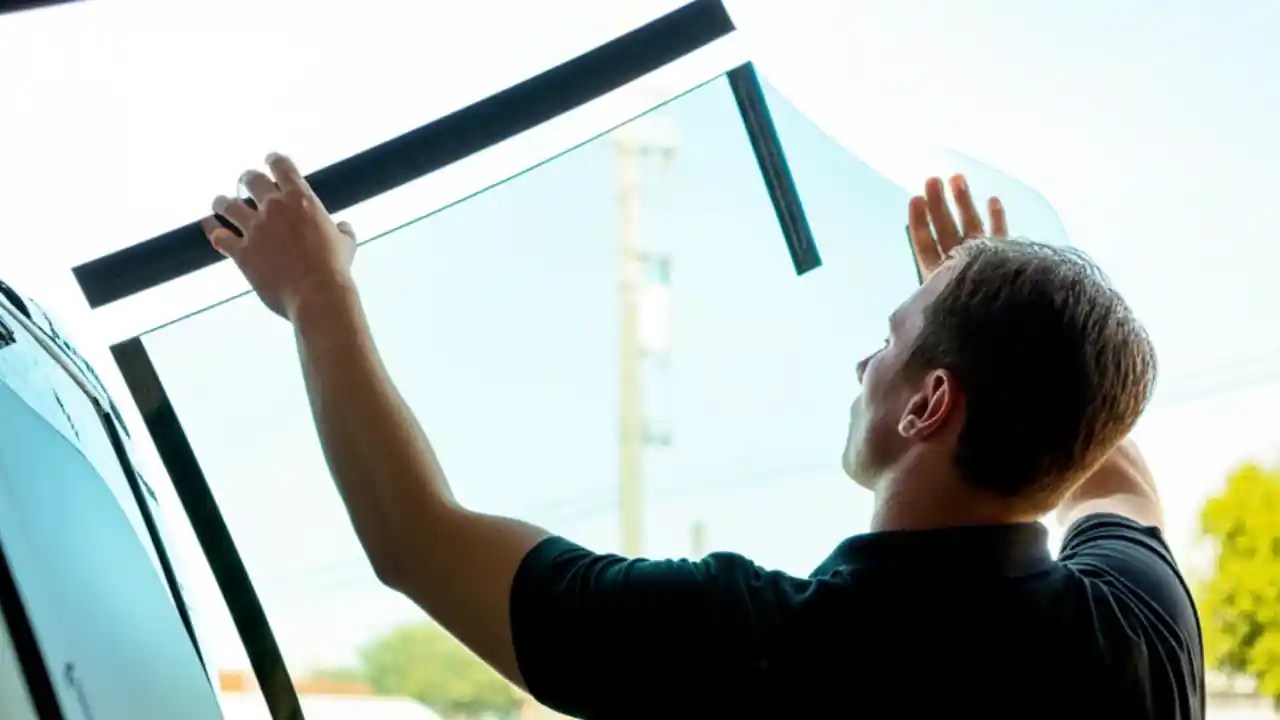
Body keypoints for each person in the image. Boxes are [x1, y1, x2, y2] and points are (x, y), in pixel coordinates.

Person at [203, 155, 1203, 718]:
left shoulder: (766, 650)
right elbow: (1103, 467)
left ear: (927, 404)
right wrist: (1015, 316)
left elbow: (413, 537)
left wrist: (314, 290)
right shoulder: (1140, 630)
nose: (863, 366)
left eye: (886, 339)